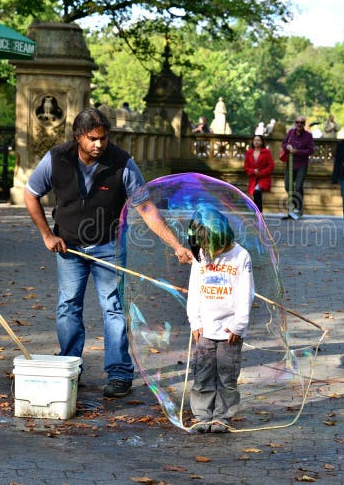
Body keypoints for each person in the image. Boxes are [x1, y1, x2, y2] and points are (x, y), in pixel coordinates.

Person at [23, 107, 193, 398]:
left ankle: (118, 374)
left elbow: (147, 209)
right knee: (68, 307)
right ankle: (70, 365)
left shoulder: (122, 164)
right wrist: (47, 235)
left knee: (113, 308)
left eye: (103, 138)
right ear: (78, 136)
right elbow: (30, 193)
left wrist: (176, 243)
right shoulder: (56, 159)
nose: (99, 145)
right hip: (69, 246)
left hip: (109, 247)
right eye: (92, 138)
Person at [185, 205, 253, 433]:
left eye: (210, 246)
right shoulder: (201, 255)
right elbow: (194, 290)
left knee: (227, 376)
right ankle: (202, 415)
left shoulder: (241, 256)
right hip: (205, 328)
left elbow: (246, 293)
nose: (207, 252)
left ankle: (222, 416)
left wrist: (239, 324)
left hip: (229, 331)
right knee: (202, 374)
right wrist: (195, 321)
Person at [281, 116, 314, 219]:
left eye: (301, 122)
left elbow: (310, 150)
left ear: (304, 124)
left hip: (302, 165)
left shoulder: (308, 136)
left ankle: (298, 209)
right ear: (295, 123)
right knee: (288, 186)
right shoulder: (290, 133)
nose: (299, 124)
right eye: (297, 122)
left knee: (298, 186)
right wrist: (287, 146)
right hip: (290, 164)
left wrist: (298, 151)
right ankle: (294, 207)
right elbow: (284, 143)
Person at [243, 135, 274, 213]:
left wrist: (261, 172)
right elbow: (246, 166)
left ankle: (259, 212)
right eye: (255, 140)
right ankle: (257, 212)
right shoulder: (249, 152)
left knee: (257, 192)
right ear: (252, 142)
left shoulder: (266, 152)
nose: (256, 142)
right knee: (255, 194)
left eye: (258, 140)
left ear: (262, 142)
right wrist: (253, 171)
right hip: (253, 178)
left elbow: (271, 166)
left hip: (264, 178)